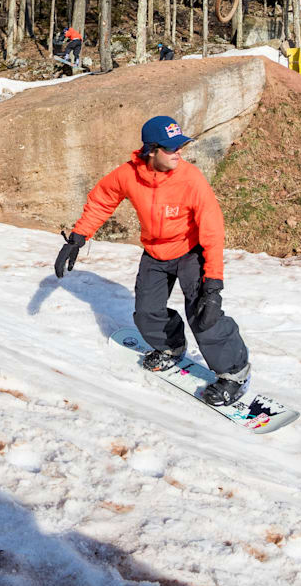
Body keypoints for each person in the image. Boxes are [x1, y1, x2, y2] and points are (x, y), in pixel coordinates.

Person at [54, 115, 251, 405]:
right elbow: (102, 200)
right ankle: (170, 347)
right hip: (155, 253)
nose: (178, 153)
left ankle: (234, 373)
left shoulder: (190, 179)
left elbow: (212, 231)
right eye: (171, 148)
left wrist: (213, 284)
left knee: (204, 314)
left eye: (180, 146)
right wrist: (78, 237)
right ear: (151, 150)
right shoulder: (128, 175)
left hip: (190, 252)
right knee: (146, 311)